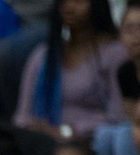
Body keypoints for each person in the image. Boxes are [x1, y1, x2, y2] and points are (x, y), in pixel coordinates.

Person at [13, 0, 126, 142]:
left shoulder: (115, 54)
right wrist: (44, 130)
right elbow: (23, 116)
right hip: (42, 141)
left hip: (91, 142)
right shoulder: (44, 55)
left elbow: (118, 116)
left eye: (79, 1)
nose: (69, 6)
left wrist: (72, 131)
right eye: (64, 1)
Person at [93, 0, 140, 155]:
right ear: (120, 35)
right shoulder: (125, 72)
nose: (136, 36)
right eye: (129, 29)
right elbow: (133, 119)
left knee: (122, 136)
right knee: (104, 134)